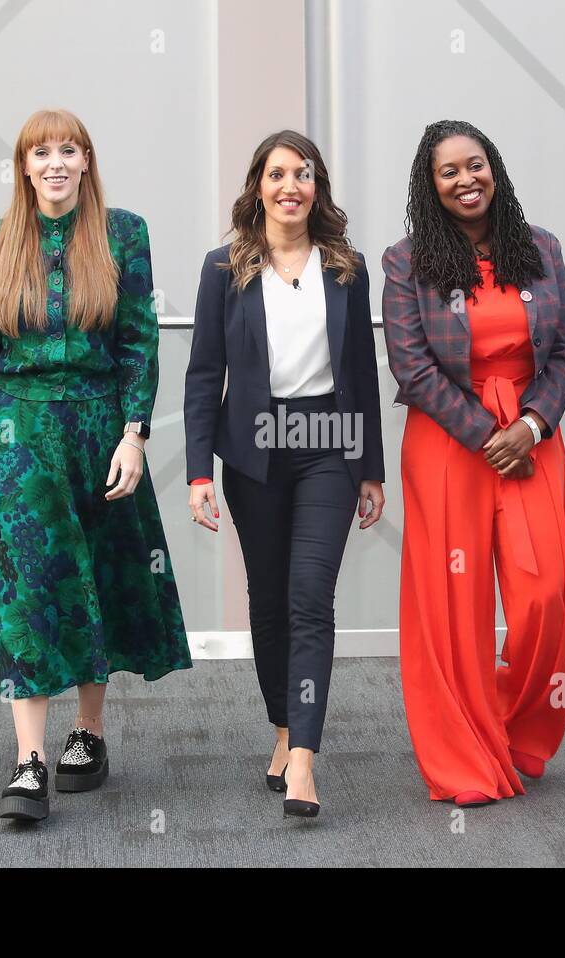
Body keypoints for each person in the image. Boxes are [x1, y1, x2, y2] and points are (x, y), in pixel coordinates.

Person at [0, 109, 191, 823]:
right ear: (24, 167)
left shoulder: (125, 234)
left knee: (100, 574)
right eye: (40, 152)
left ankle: (88, 732)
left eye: (69, 150)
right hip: (16, 431)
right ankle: (27, 761)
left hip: (99, 426)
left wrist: (135, 434)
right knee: (27, 586)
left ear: (86, 161)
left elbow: (139, 341)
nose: (55, 162)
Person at [184, 130, 385, 819]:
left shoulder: (347, 268)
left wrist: (371, 470)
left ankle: (303, 758)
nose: (290, 186)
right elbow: (204, 373)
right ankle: (281, 726)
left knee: (309, 594)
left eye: (303, 174)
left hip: (329, 442)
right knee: (268, 602)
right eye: (278, 174)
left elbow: (361, 370)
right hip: (253, 452)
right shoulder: (224, 269)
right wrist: (197, 473)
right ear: (259, 186)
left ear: (317, 189)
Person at [382, 120, 565, 808]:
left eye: (476, 165)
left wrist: (528, 426)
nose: (466, 180)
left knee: (545, 595)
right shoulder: (407, 261)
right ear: (429, 185)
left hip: (533, 441)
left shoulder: (543, 249)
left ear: (493, 169)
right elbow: (410, 365)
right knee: (451, 607)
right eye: (449, 172)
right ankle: (462, 751)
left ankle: (513, 725)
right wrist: (482, 432)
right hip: (447, 443)